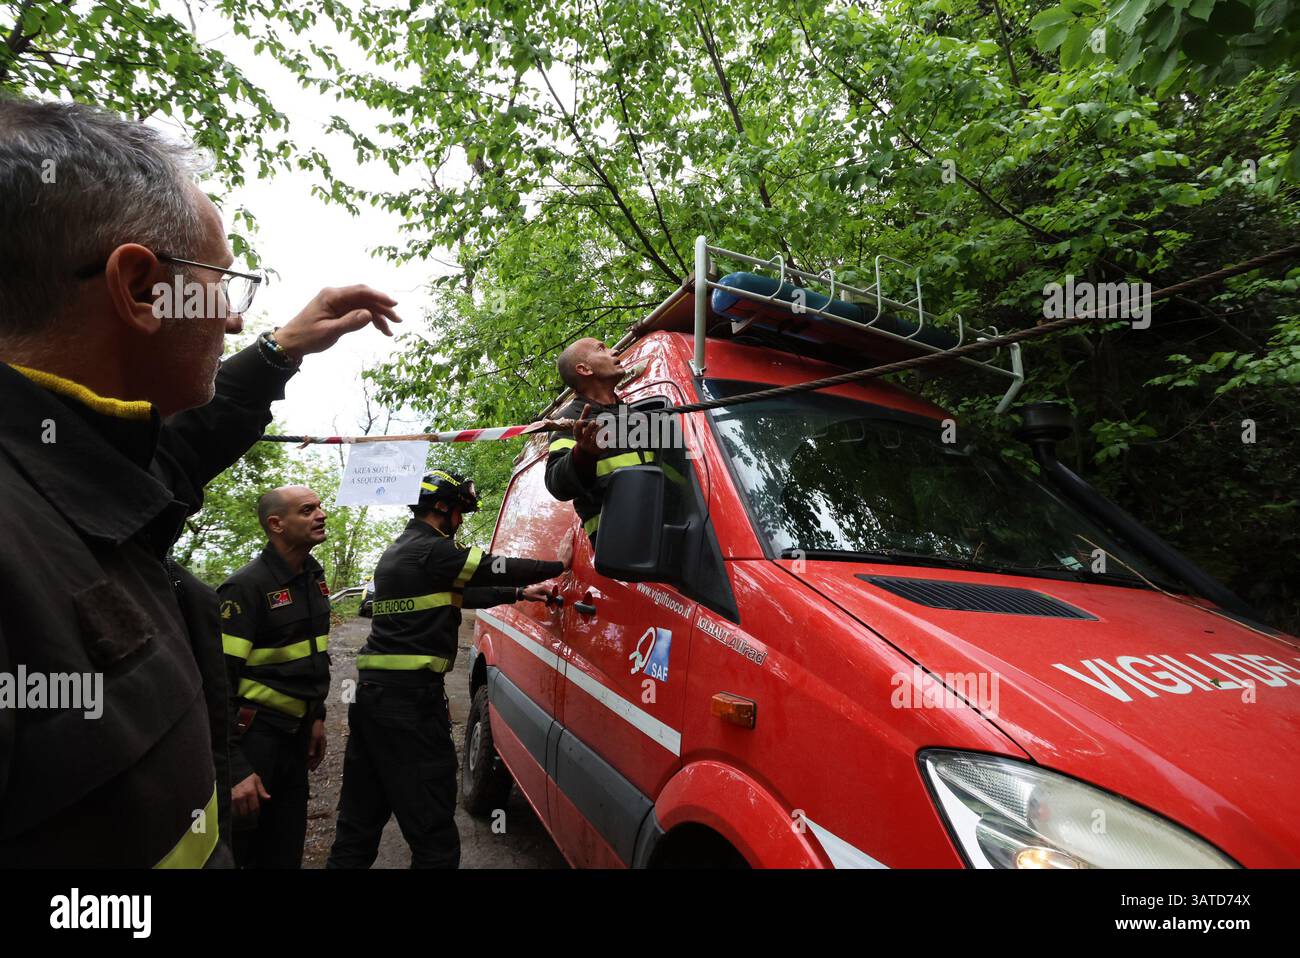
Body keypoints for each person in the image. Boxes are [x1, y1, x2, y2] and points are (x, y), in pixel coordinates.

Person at [0, 97, 400, 867]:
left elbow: (167, 462)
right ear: (140, 288)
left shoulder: (76, 478)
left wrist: (285, 351)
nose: (233, 322)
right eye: (224, 283)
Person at [326, 470, 569, 868]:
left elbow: (463, 592)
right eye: (459, 511)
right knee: (434, 835)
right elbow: (495, 566)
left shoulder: (404, 549)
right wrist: (558, 564)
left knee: (359, 823)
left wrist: (519, 593)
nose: (460, 520)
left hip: (374, 700)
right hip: (409, 707)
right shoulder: (434, 550)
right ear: (443, 508)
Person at [218, 486, 333, 868]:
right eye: (307, 510)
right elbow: (217, 682)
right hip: (255, 739)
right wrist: (235, 768)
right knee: (241, 851)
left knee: (285, 850)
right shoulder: (245, 587)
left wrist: (316, 715)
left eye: (319, 506)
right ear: (276, 524)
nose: (321, 514)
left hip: (295, 737)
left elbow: (315, 656)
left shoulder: (314, 577)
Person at [544, 337, 663, 542]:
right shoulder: (568, 420)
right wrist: (583, 454)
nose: (614, 351)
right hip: (618, 545)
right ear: (584, 369)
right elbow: (556, 485)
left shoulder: (635, 416)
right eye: (601, 349)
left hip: (662, 532)